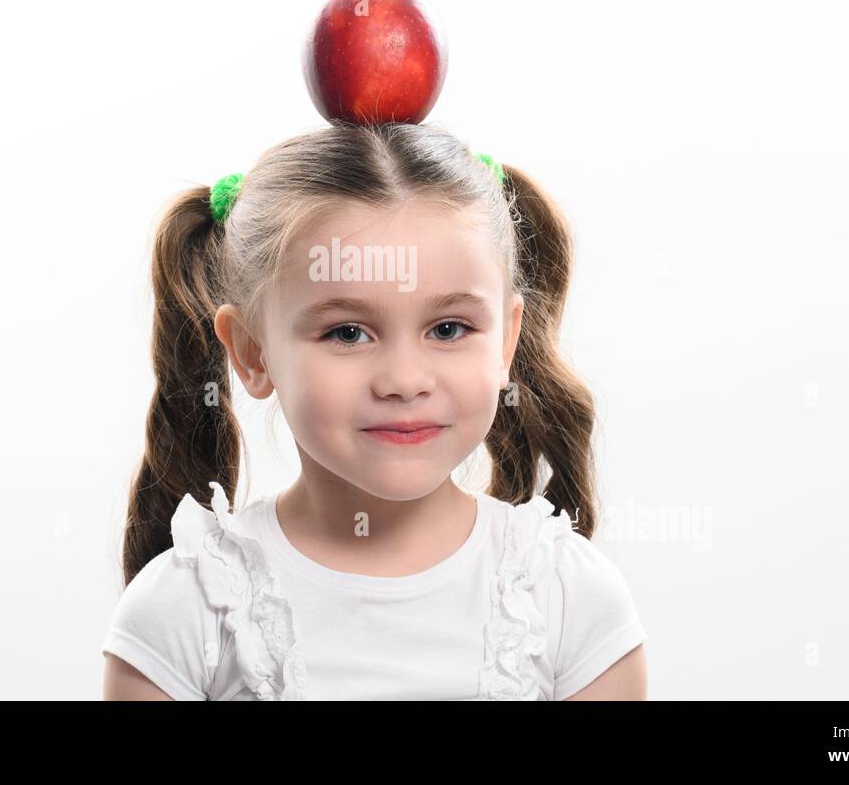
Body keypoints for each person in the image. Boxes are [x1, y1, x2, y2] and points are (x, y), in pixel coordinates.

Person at [101, 120, 648, 700]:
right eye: (347, 333)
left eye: (448, 327)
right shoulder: (187, 608)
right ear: (252, 352)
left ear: (506, 342)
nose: (404, 380)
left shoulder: (569, 598)